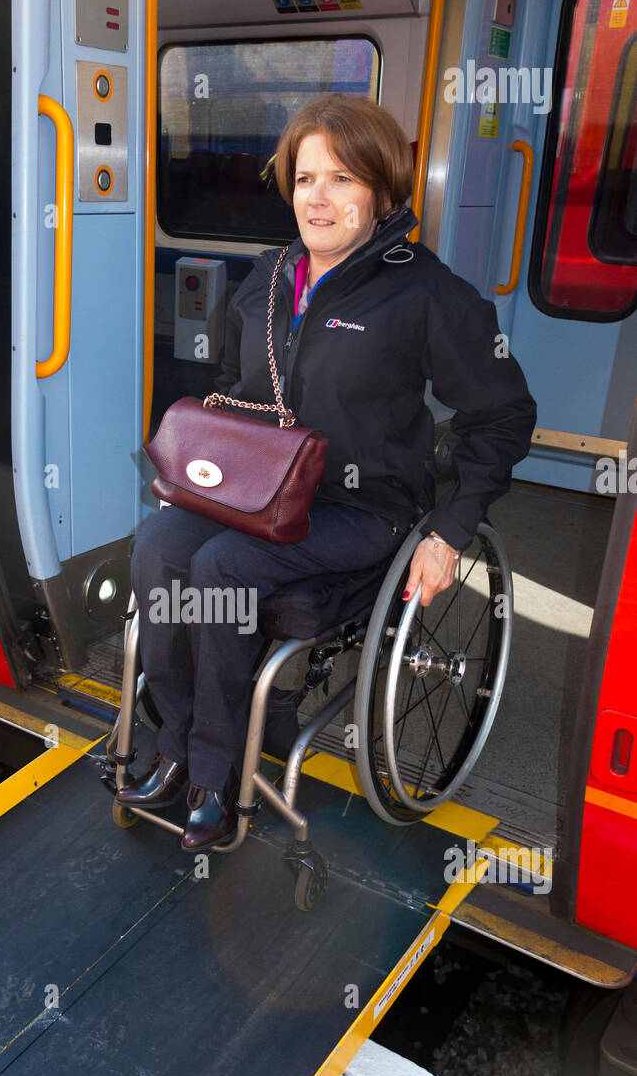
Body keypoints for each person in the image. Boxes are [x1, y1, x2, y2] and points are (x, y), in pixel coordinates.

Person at [118, 94, 536, 851]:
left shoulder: (427, 294)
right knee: (156, 549)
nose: (317, 196)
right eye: (304, 177)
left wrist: (449, 528)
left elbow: (502, 414)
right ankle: (176, 741)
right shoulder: (268, 276)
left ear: (379, 191)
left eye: (340, 179)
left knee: (220, 567)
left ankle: (215, 771)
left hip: (360, 508)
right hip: (259, 492)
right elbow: (228, 381)